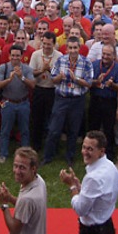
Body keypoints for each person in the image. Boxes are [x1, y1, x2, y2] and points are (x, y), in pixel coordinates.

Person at [59, 130, 118, 234]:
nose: (85, 152)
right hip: (107, 227)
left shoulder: (93, 177)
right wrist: (81, 187)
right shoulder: (111, 167)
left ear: (101, 151)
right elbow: (100, 195)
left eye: (90, 149)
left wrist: (72, 187)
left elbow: (80, 209)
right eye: (84, 147)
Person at [43, 37, 93, 166]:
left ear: (79, 48)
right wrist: (60, 77)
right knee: (54, 129)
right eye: (70, 48)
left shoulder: (86, 62)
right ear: (67, 48)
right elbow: (53, 79)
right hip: (62, 99)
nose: (72, 50)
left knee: (73, 130)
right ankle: (48, 156)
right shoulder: (61, 60)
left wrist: (75, 78)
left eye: (75, 48)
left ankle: (70, 156)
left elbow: (88, 83)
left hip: (77, 100)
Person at [0, 45, 35, 163]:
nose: (15, 58)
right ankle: (3, 154)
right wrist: (9, 79)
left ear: (22, 56)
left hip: (23, 103)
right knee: (5, 130)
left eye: (18, 56)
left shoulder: (26, 69)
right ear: (9, 56)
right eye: (13, 55)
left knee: (24, 130)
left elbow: (32, 85)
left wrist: (21, 77)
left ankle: (26, 155)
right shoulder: (4, 68)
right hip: (8, 102)